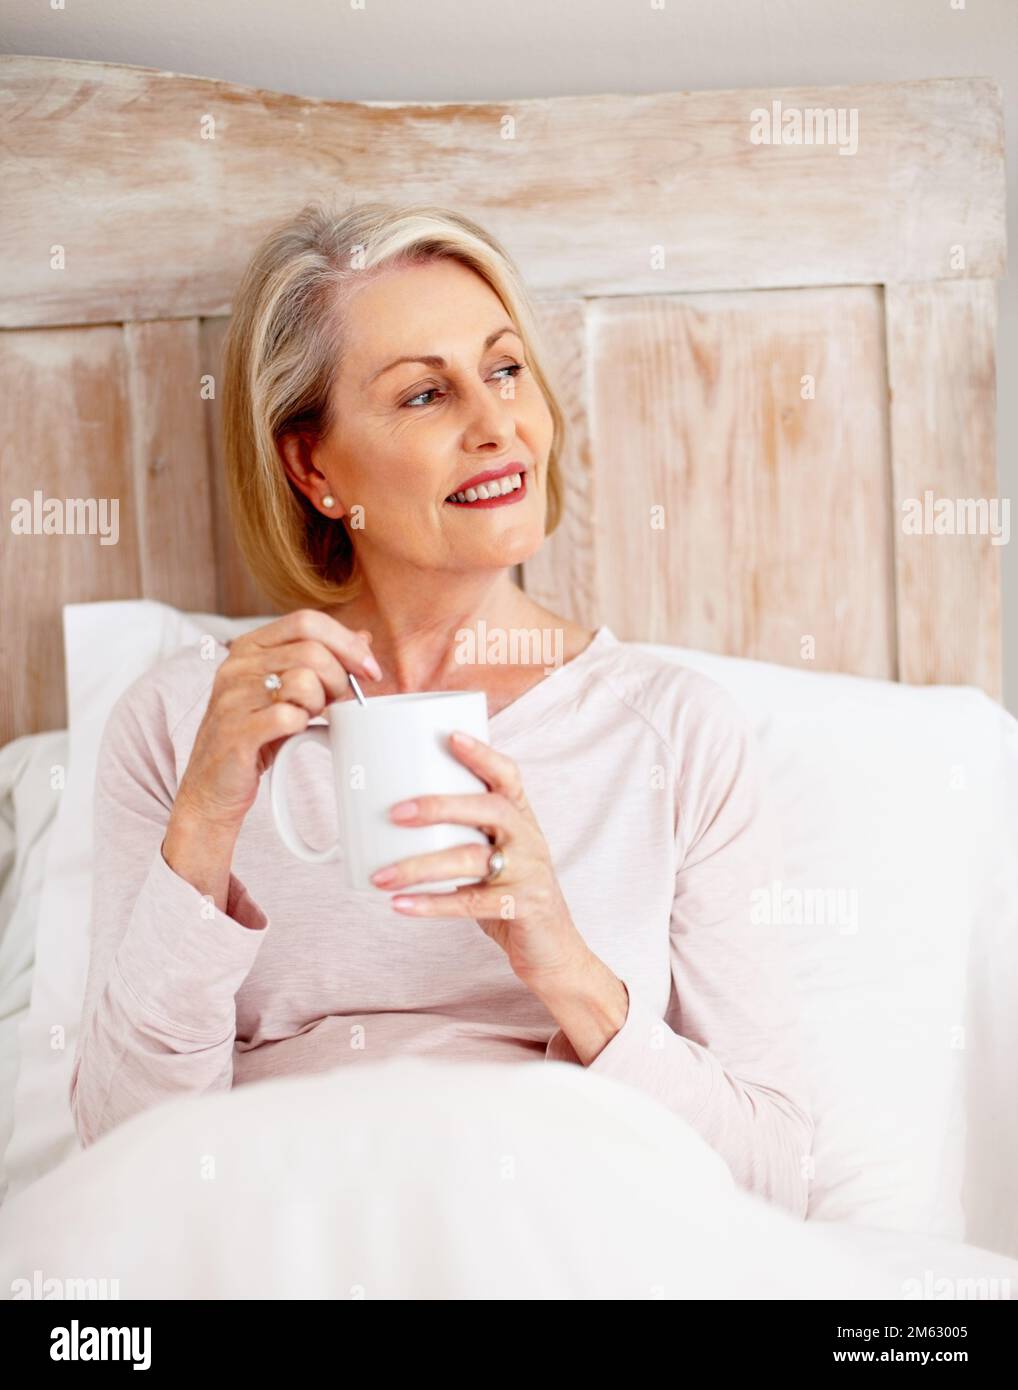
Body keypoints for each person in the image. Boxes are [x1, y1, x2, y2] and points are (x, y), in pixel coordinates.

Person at [69, 200, 814, 1217]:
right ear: (314, 466)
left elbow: (778, 1178)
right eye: (425, 393)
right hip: (287, 1239)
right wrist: (202, 830)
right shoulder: (183, 727)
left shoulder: (674, 732)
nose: (496, 421)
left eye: (504, 368)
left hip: (565, 1232)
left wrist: (564, 964)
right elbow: (119, 1166)